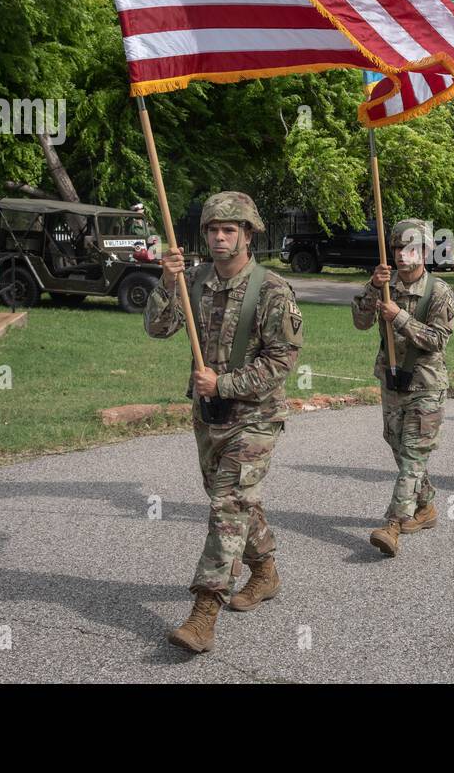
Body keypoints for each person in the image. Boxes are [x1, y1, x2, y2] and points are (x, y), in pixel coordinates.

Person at [145, 192, 304, 654]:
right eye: (213, 229)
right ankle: (266, 570)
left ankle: (203, 613)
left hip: (254, 418)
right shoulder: (193, 281)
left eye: (229, 229)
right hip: (208, 416)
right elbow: (158, 328)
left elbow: (280, 363)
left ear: (248, 234)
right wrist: (165, 281)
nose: (219, 236)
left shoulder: (272, 291)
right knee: (235, 502)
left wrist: (226, 384)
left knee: (227, 505)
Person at [350, 219, 454, 557]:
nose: (401, 254)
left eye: (410, 248)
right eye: (397, 248)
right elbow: (361, 322)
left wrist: (399, 317)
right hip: (393, 380)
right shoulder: (385, 286)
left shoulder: (438, 291)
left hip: (426, 384)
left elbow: (437, 340)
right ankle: (425, 507)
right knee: (397, 446)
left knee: (413, 455)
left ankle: (393, 524)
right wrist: (371, 287)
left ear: (424, 252)